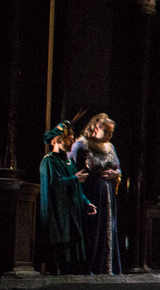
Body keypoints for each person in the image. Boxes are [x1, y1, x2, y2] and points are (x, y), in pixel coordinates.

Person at [71, 112, 124, 275]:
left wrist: (116, 175)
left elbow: (118, 168)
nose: (109, 135)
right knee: (93, 230)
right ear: (95, 128)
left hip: (108, 194)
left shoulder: (111, 147)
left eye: (111, 132)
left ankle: (107, 267)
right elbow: (74, 168)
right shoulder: (82, 145)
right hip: (91, 192)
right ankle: (89, 267)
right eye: (106, 131)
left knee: (108, 229)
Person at [37, 120, 93, 274]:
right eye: (70, 138)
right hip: (59, 213)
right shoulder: (49, 161)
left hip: (73, 211)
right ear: (59, 140)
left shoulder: (69, 162)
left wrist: (86, 202)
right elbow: (54, 184)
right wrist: (75, 179)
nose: (73, 141)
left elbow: (77, 188)